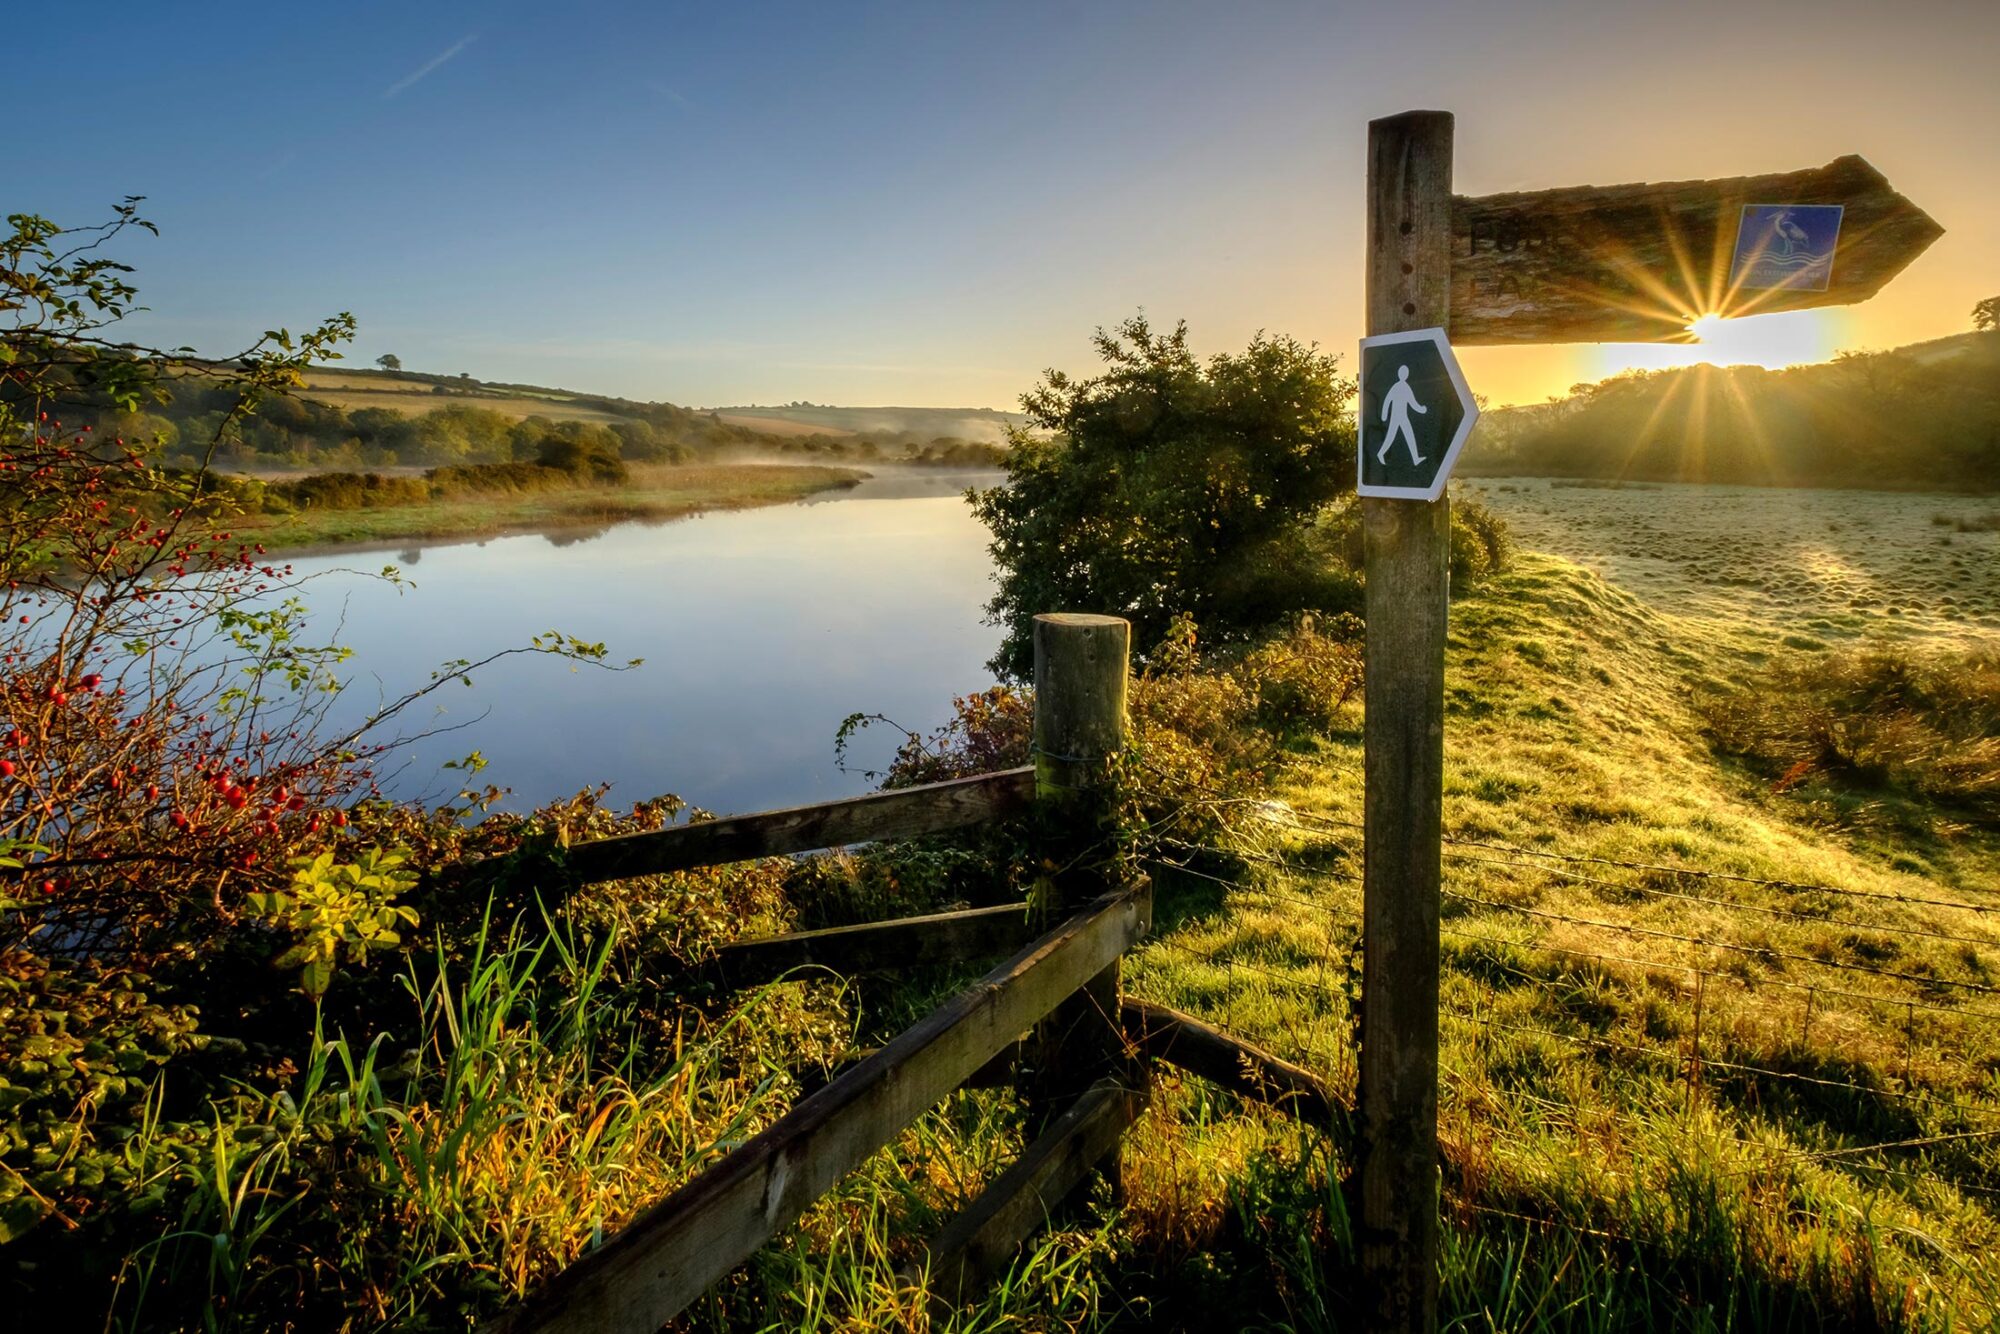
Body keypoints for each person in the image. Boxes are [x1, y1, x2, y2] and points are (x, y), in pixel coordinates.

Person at [1378, 364, 1428, 466]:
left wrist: (1421, 410)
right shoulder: (1398, 387)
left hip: (1403, 417)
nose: (1405, 375)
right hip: (1396, 417)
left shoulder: (1405, 387)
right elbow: (1387, 400)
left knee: (1409, 435)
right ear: (1400, 374)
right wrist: (1384, 415)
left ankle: (1415, 458)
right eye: (1404, 373)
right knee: (1391, 437)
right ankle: (1380, 453)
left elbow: (1412, 402)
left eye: (1406, 373)